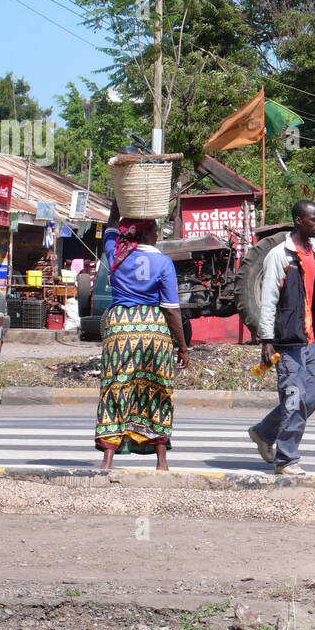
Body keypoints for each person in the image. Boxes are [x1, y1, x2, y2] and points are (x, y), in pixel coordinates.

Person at [247, 200, 315, 477]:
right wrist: (266, 339)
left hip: (309, 339)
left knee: (312, 395)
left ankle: (264, 433)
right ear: (299, 221)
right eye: (314, 220)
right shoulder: (280, 256)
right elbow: (269, 300)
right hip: (287, 340)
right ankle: (286, 459)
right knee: (293, 398)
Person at [94, 201, 190, 471]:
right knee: (157, 389)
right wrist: (182, 346)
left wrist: (117, 200)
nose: (159, 234)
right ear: (149, 234)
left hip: (119, 327)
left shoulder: (116, 254)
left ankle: (108, 460)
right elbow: (171, 310)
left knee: (115, 388)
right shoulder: (163, 262)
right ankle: (161, 462)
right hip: (152, 328)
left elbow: (111, 227)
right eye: (156, 230)